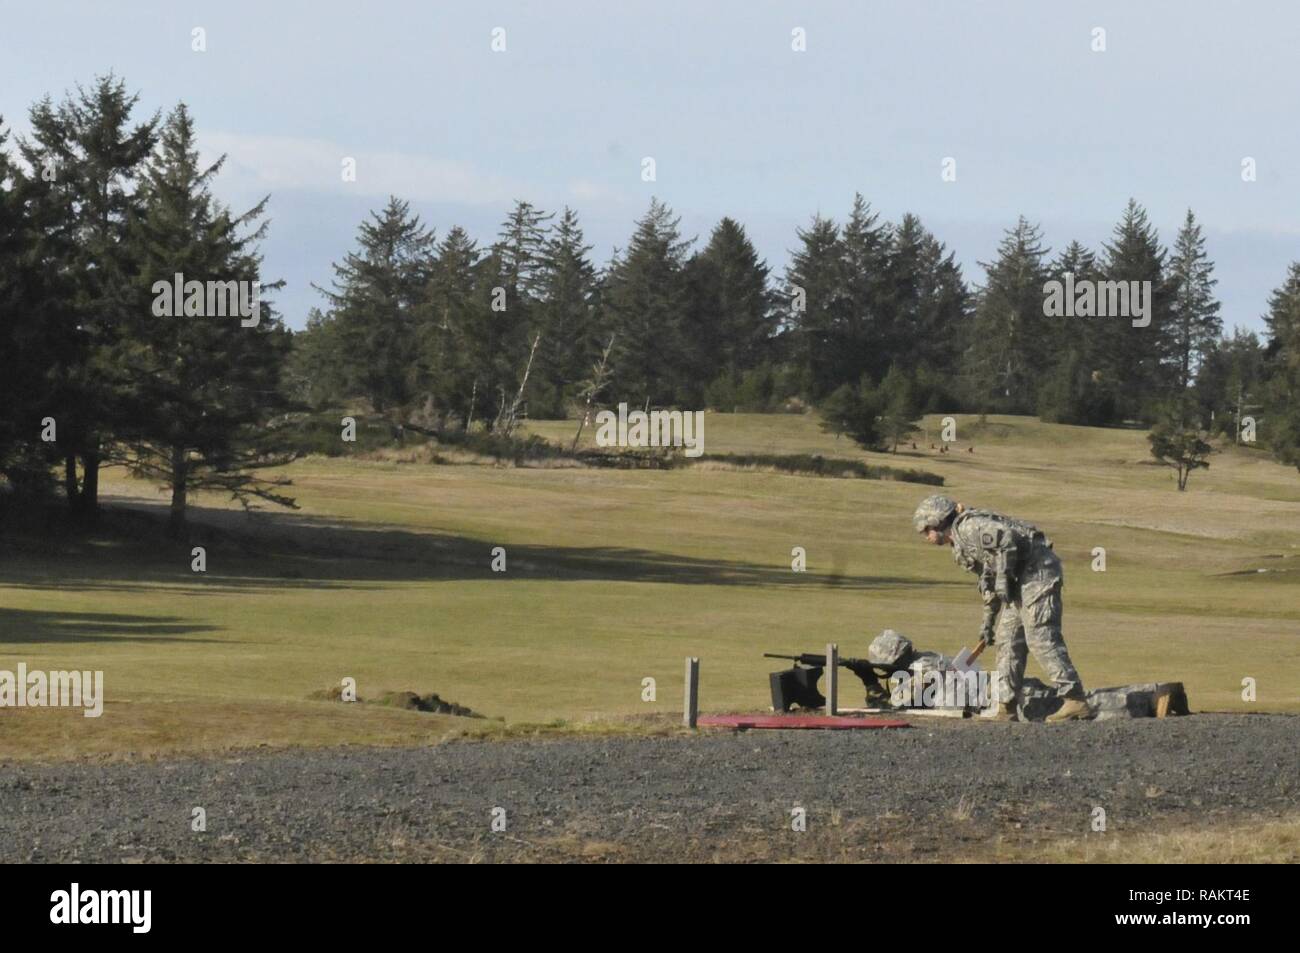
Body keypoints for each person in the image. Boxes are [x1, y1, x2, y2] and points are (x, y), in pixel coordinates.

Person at [911, 495, 1092, 722]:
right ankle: (1005, 706)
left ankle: (1074, 699)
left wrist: (1003, 578)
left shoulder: (969, 527)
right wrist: (988, 622)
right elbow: (988, 582)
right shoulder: (960, 546)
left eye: (927, 530)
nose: (926, 537)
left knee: (1039, 635)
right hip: (1019, 583)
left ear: (937, 521)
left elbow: (1007, 539)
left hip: (1038, 572)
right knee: (1008, 641)